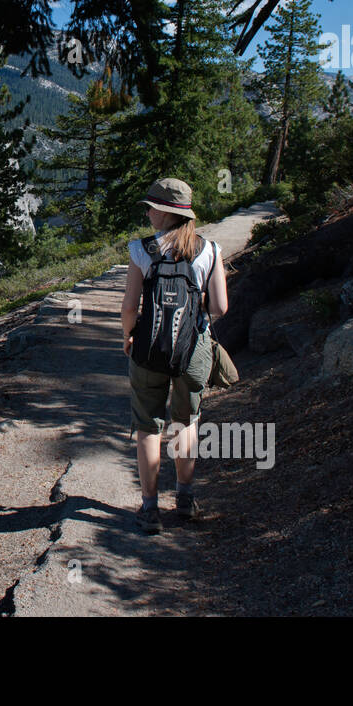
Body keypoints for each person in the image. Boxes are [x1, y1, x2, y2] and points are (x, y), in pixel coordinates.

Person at [120, 178, 229, 533]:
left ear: (165, 213)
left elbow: (129, 308)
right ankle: (184, 499)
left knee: (148, 426)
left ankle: (150, 509)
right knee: (186, 422)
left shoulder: (141, 250)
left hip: (148, 349)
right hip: (193, 348)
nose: (147, 212)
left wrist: (127, 337)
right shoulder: (209, 249)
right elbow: (220, 307)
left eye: (150, 207)